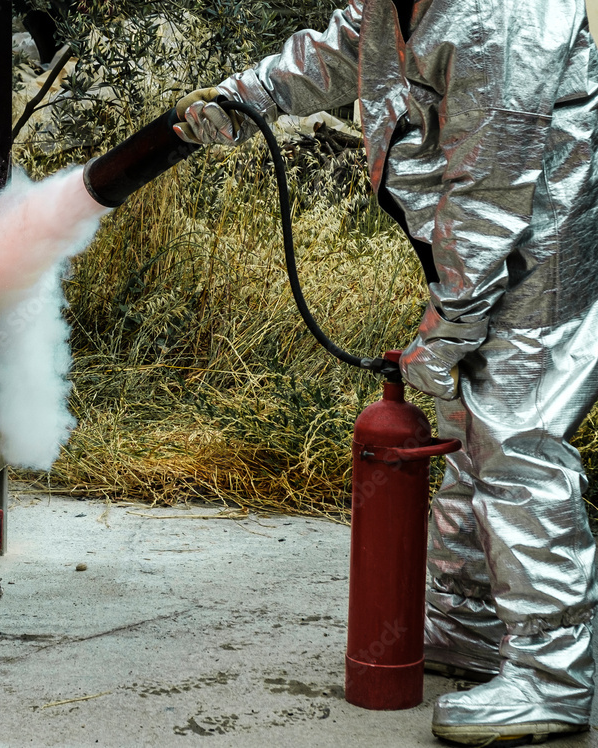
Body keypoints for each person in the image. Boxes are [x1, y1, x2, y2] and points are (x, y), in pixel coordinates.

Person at [175, 1, 598, 744]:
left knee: (515, 438)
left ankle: (552, 677)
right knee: (469, 423)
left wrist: (450, 326)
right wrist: (244, 100)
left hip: (542, 237)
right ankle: (468, 622)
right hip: (486, 238)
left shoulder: (505, 16)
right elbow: (344, 49)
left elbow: (490, 187)